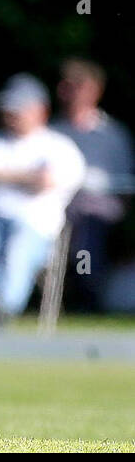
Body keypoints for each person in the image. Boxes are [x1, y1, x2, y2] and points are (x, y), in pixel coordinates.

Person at [0, 74, 85, 318]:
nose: (10, 115)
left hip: (34, 223)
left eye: (18, 109)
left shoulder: (60, 146)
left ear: (40, 110)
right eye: (7, 109)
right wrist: (27, 177)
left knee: (18, 255)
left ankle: (2, 312)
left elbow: (48, 181)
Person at [52, 59, 133, 312]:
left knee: (88, 232)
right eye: (65, 85)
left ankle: (88, 298)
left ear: (95, 90)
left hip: (98, 209)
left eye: (77, 85)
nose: (69, 92)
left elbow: (125, 185)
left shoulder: (113, 134)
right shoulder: (52, 130)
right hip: (56, 204)